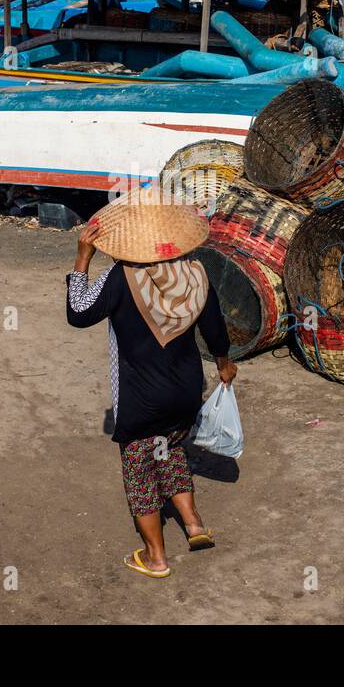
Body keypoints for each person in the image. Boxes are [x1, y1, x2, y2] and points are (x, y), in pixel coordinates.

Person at [67, 196, 236, 580]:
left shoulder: (121, 278)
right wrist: (225, 365)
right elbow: (215, 330)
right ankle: (194, 526)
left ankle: (155, 556)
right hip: (185, 392)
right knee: (171, 448)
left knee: (141, 472)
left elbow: (78, 313)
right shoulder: (195, 274)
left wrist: (82, 258)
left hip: (141, 397)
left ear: (129, 241)